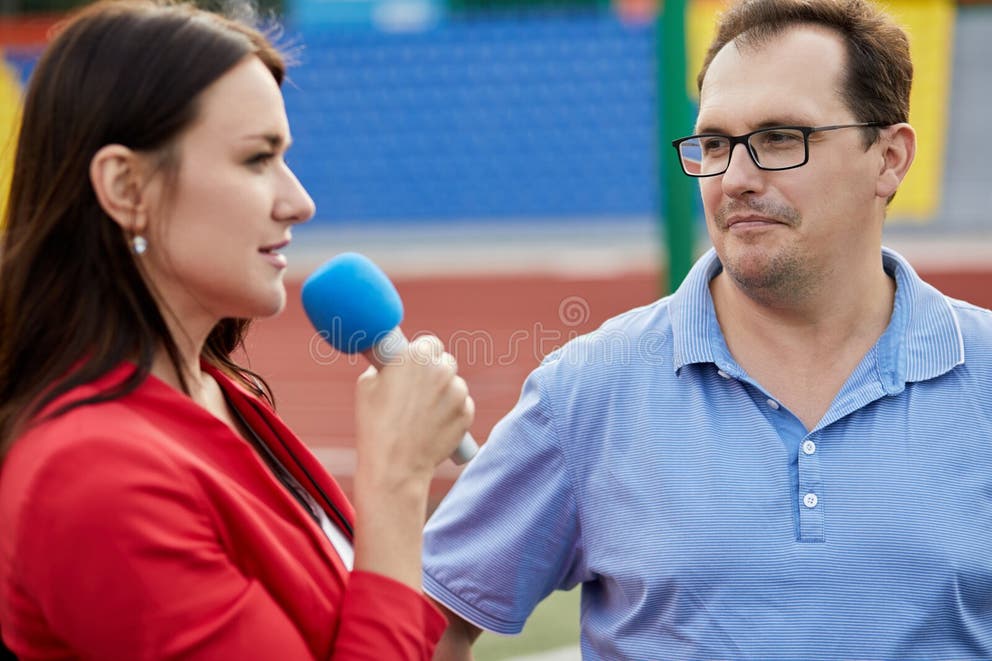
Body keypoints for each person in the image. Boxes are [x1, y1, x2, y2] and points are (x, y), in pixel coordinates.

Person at [422, 0, 992, 657]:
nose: (736, 178)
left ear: (889, 157)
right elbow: (429, 619)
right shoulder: (586, 390)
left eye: (781, 138)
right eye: (715, 144)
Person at [0, 1, 474, 658]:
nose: (299, 201)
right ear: (126, 186)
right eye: (257, 159)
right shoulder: (92, 477)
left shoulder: (214, 389)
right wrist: (395, 482)